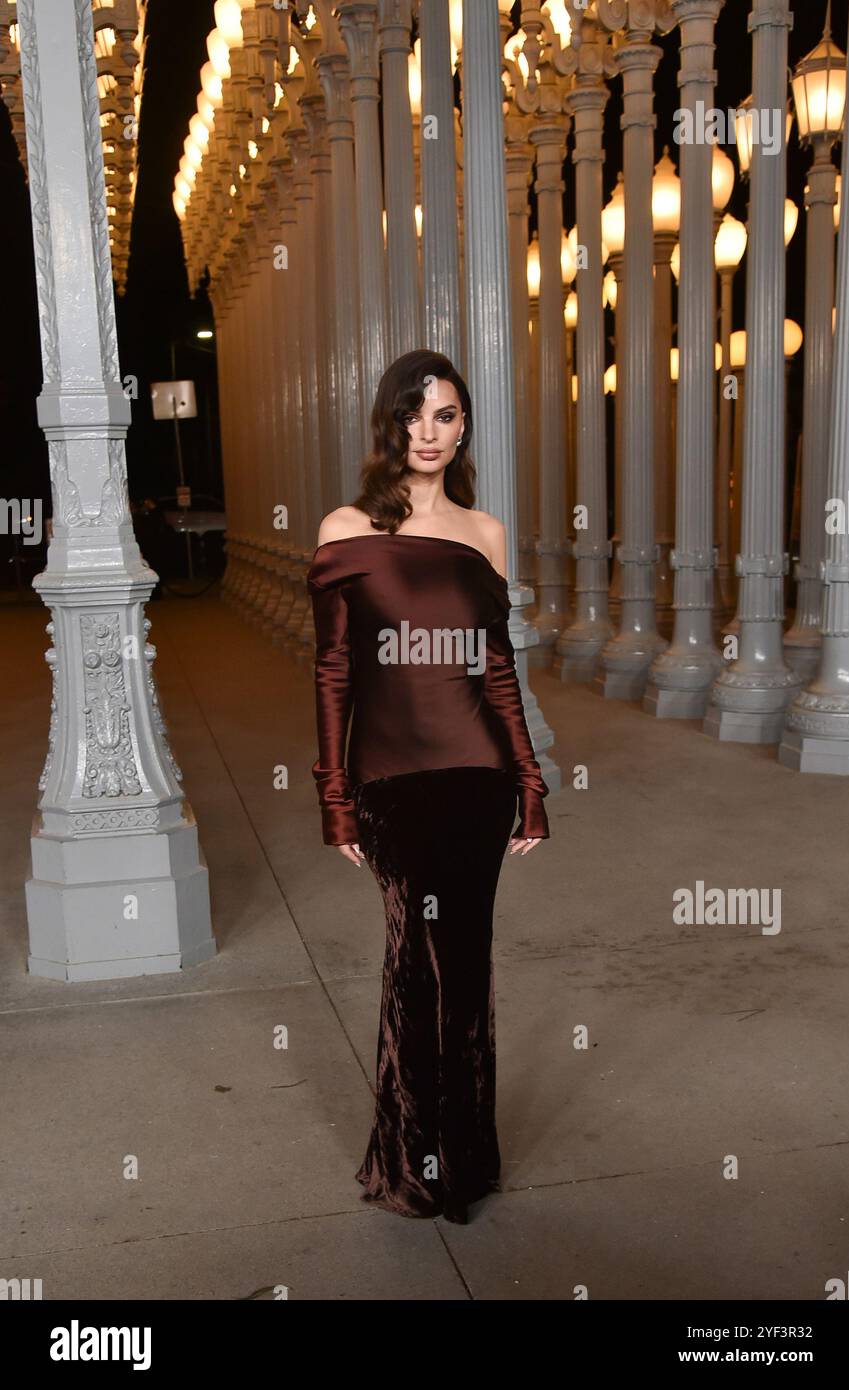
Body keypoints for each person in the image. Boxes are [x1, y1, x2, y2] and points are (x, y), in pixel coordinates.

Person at [307, 348, 550, 1225]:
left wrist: (530, 785)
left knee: (466, 967)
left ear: (463, 426)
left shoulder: (482, 534)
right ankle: (415, 1163)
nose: (428, 432)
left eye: (445, 415)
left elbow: (497, 673)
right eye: (413, 415)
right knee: (415, 962)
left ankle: (464, 1164)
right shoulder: (344, 531)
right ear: (388, 422)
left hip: (475, 777)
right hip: (390, 781)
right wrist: (334, 798)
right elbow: (334, 673)